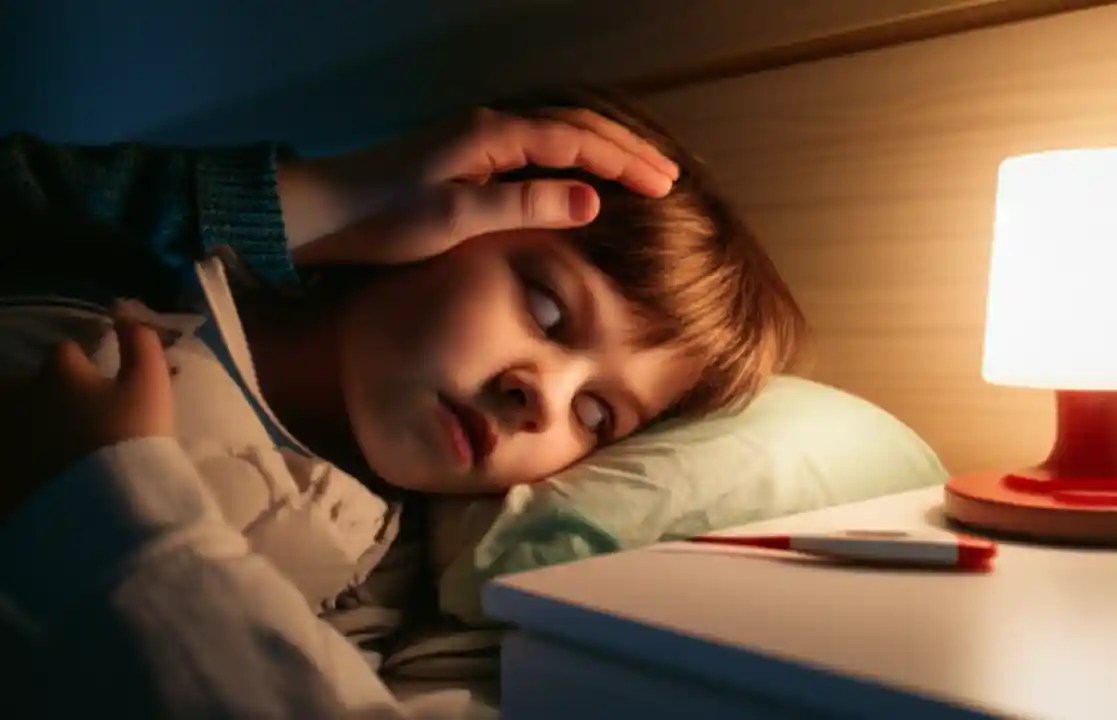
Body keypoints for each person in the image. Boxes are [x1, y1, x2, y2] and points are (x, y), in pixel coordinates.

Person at [0, 88, 803, 717]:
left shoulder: (388, 588)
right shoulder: (124, 274)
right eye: (548, 310)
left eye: (597, 416)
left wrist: (111, 510)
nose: (541, 402)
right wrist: (308, 200)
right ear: (450, 211)